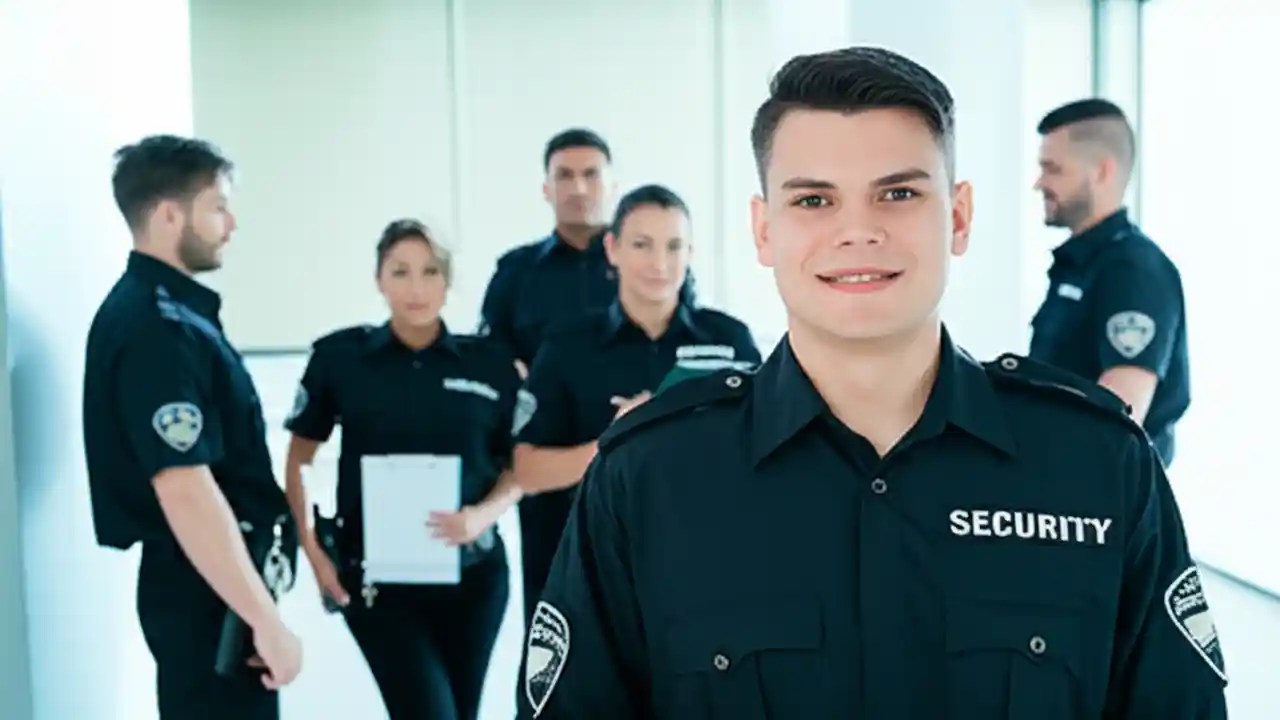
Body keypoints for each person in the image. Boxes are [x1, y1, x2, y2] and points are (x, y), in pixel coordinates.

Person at [518, 48, 1228, 719]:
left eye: (898, 193)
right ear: (763, 231)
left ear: (958, 216)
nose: (857, 232)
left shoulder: (1098, 466)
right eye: (813, 201)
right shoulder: (648, 478)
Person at [82, 135, 302, 720]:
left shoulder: (173, 316)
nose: (231, 224)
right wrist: (264, 620)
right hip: (202, 591)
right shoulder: (158, 330)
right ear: (168, 215)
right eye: (218, 207)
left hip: (211, 586)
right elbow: (184, 488)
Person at [283, 219, 521, 720]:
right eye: (400, 271)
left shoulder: (491, 364)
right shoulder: (340, 358)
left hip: (473, 580)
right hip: (378, 583)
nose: (416, 287)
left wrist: (482, 515)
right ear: (379, 279)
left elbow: (522, 466)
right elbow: (300, 458)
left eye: (430, 271)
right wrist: (313, 550)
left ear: (447, 281)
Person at [511, 183, 760, 637]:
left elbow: (762, 452)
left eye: (674, 246)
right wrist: (617, 440)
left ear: (690, 252)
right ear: (612, 248)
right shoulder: (567, 346)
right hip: (588, 580)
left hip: (700, 574)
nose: (660, 263)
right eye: (642, 245)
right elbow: (526, 472)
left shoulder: (731, 342)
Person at [1031, 99, 1189, 466]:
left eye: (1052, 169)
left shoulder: (1134, 271)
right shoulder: (1080, 264)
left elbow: (1117, 418)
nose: (1039, 183)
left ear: (1101, 171)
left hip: (1098, 492)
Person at [477, 128, 696, 375]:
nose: (579, 189)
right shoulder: (516, 269)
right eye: (564, 176)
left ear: (612, 187)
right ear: (546, 189)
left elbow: (689, 338)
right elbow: (488, 350)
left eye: (591, 175)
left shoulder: (654, 265)